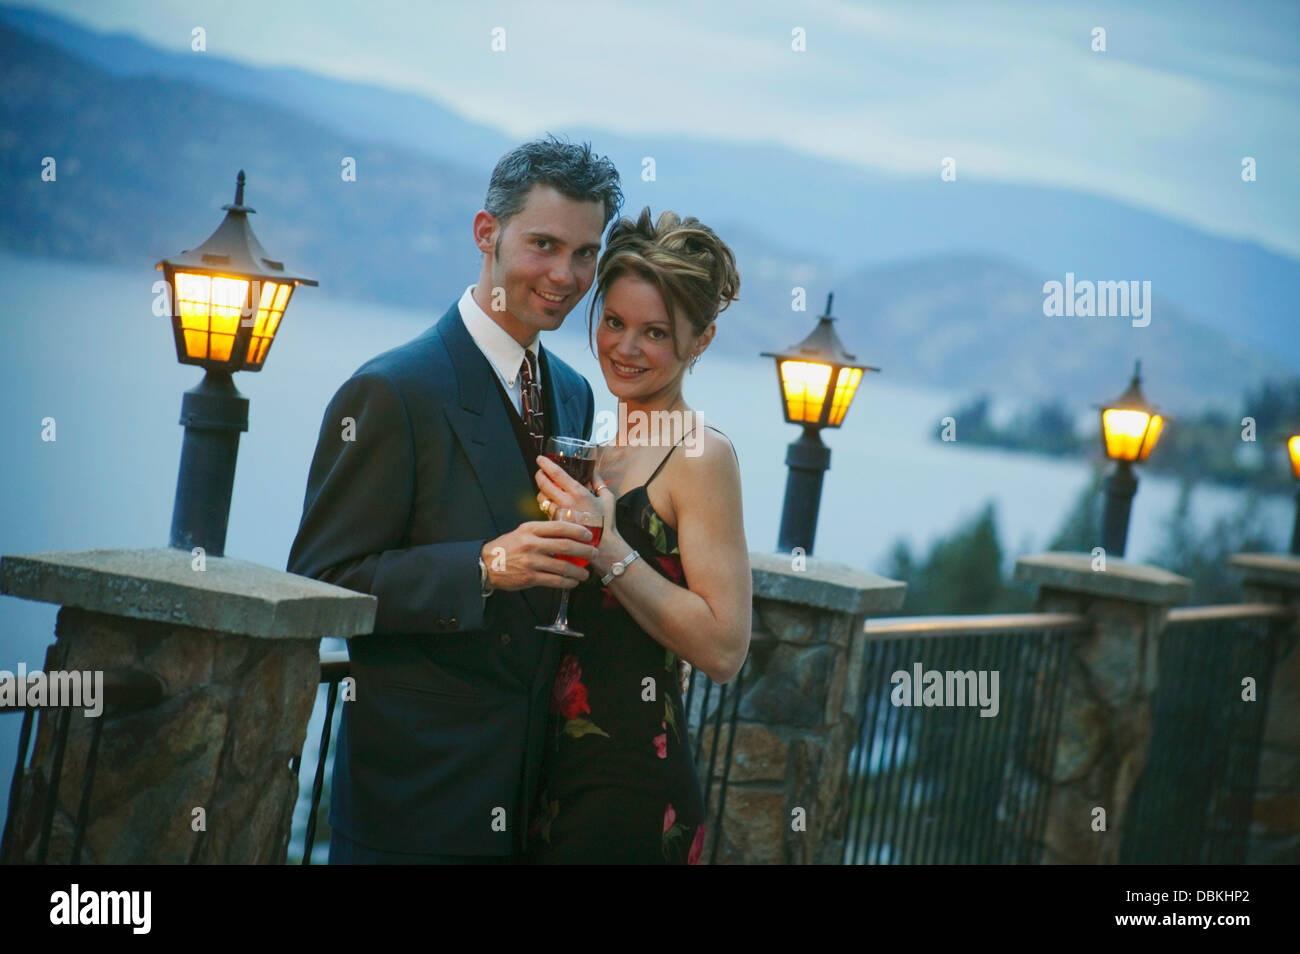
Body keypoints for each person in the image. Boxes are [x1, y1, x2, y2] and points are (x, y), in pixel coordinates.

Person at [286, 135, 622, 863]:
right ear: (486, 234)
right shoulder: (394, 390)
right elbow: (321, 580)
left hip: (535, 801)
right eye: (544, 244)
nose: (566, 275)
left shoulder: (572, 389)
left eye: (586, 254)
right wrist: (483, 565)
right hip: (416, 801)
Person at [526, 207, 752, 864]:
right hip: (550, 768)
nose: (624, 348)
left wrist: (609, 550)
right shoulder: (596, 445)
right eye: (615, 322)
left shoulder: (701, 455)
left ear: (701, 340)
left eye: (654, 332)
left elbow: (724, 649)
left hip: (630, 782)